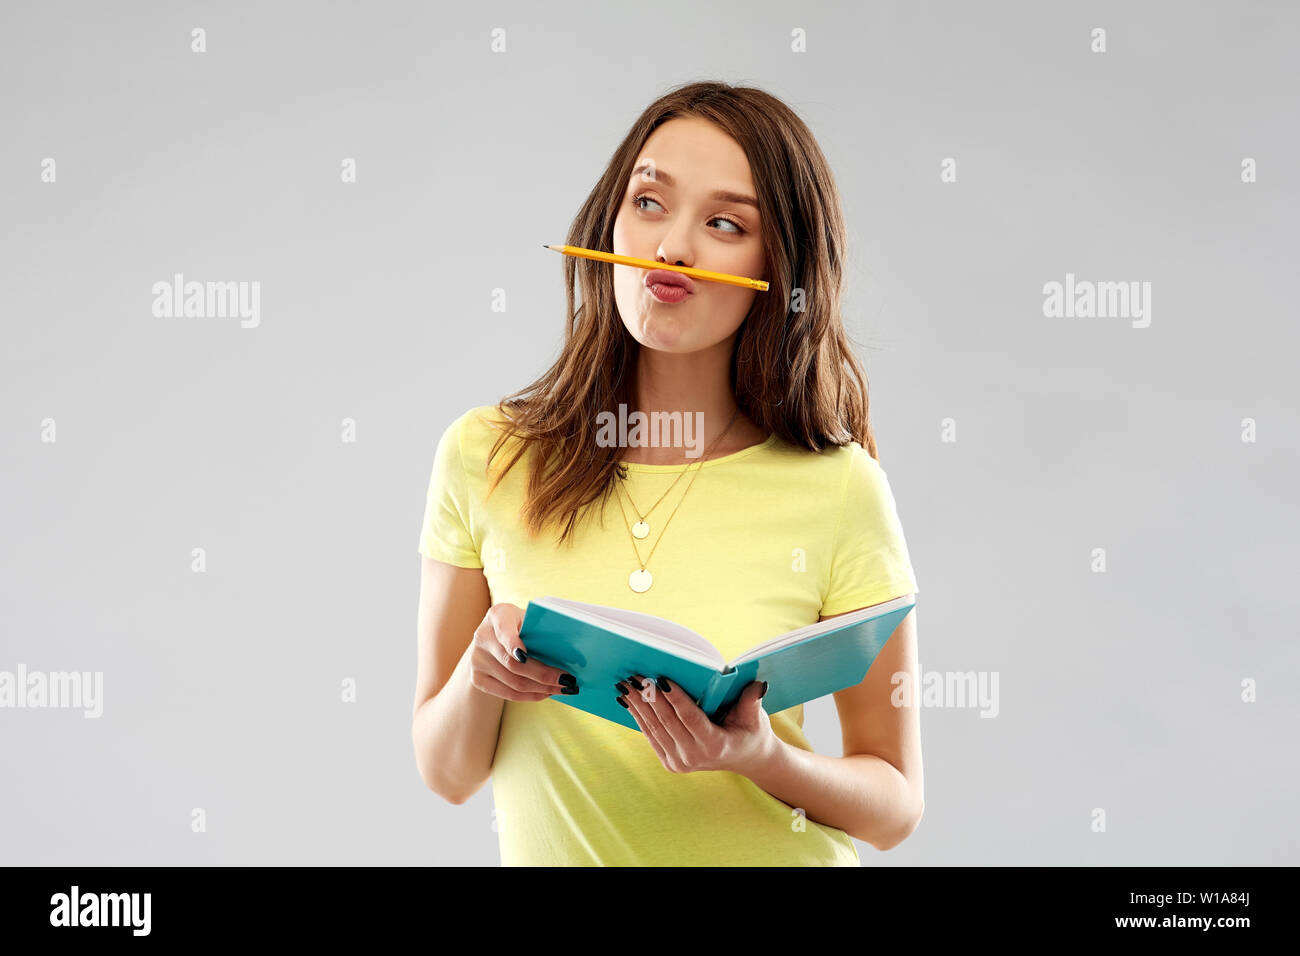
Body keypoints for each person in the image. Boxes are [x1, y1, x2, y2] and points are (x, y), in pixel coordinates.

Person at [412, 81, 922, 866]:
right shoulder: (486, 455)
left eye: (724, 223)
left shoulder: (840, 488)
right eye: (649, 202)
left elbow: (893, 807)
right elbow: (446, 775)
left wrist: (761, 758)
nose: (672, 247)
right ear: (609, 223)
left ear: (778, 266)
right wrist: (481, 678)